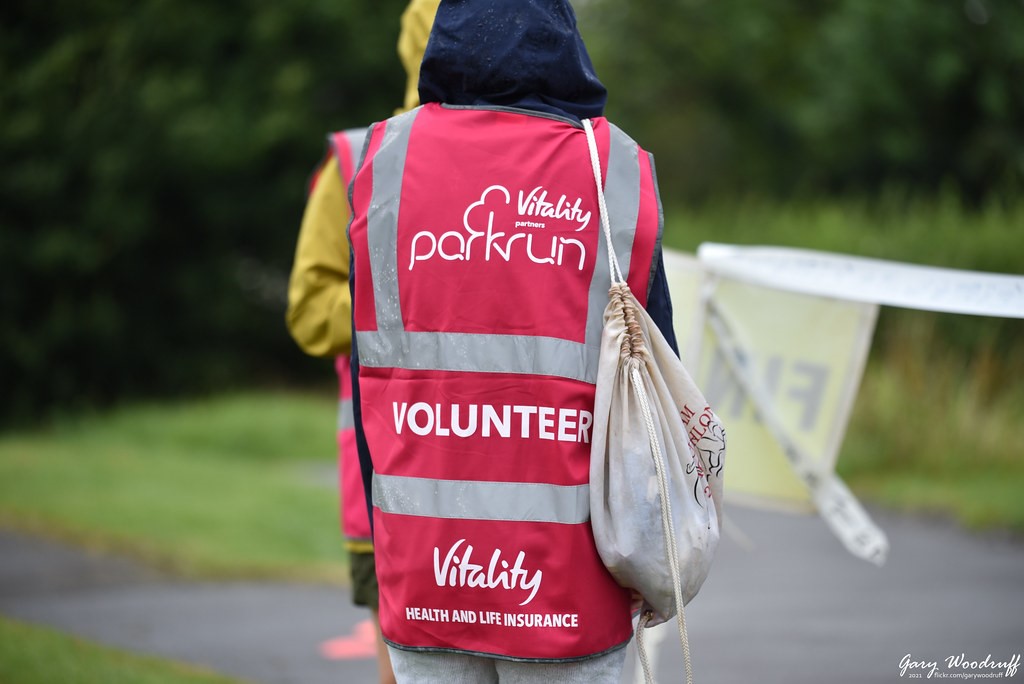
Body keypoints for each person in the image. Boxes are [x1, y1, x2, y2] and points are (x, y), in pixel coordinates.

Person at [346, 1, 679, 681]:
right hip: (569, 587)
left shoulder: (383, 159)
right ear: (561, 31)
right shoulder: (612, 167)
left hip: (425, 570)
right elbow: (655, 384)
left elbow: (368, 371)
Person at [285, 2, 440, 683]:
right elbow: (310, 310)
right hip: (391, 478)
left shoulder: (544, 159)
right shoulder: (357, 157)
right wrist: (413, 302)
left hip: (516, 483)